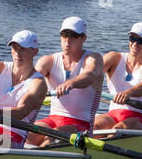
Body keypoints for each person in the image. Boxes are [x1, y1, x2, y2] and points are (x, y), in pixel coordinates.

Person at [27, 17, 103, 146]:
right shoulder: (48, 61)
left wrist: (71, 83)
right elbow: (30, 82)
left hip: (81, 123)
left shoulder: (93, 58)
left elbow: (89, 75)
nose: (67, 41)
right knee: (27, 135)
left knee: (50, 139)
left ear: (83, 38)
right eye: (64, 35)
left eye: (73, 36)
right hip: (52, 119)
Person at [93, 22, 142, 132]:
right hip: (113, 114)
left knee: (118, 129)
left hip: (139, 118)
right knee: (94, 126)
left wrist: (128, 93)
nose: (135, 44)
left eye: (140, 41)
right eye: (132, 38)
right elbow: (91, 72)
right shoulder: (114, 58)